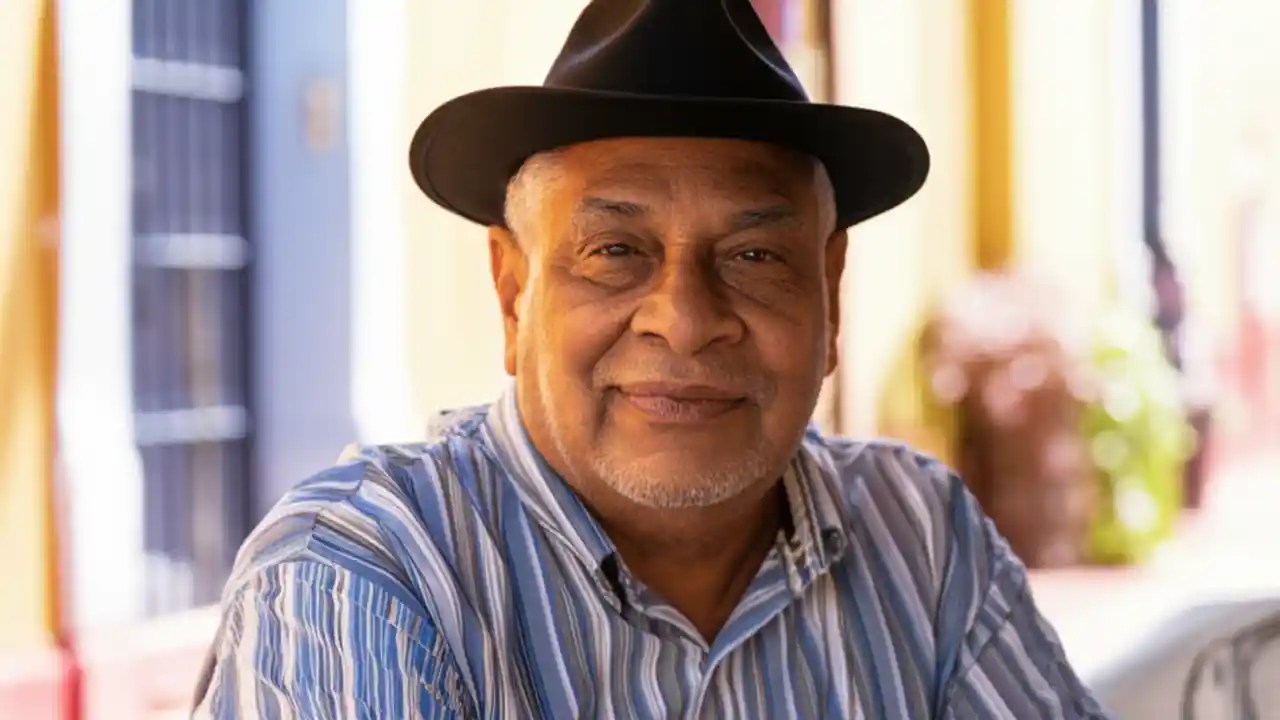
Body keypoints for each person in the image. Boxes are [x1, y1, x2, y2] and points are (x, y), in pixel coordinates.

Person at [195, 0, 1109, 717]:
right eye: (615, 252)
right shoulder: (367, 578)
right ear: (514, 295)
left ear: (830, 294)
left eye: (755, 256)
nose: (685, 320)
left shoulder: (923, 541)